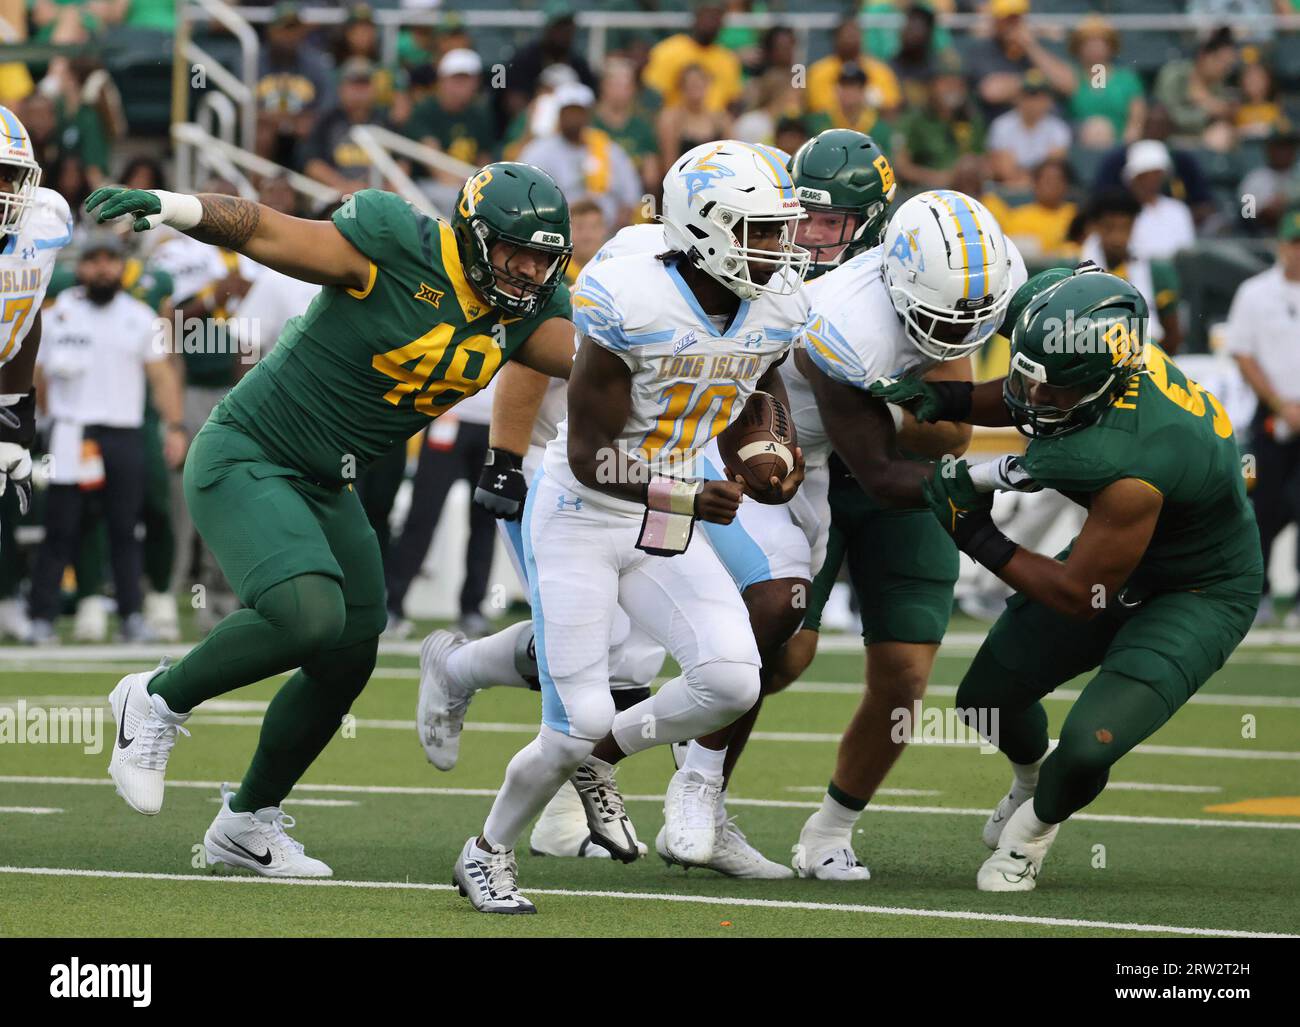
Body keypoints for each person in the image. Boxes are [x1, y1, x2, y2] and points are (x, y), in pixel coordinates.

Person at [86, 160, 581, 876]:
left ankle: (246, 821)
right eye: (515, 252)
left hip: (329, 481)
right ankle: (156, 698)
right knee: (306, 614)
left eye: (543, 259)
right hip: (250, 451)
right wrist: (173, 203)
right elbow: (266, 229)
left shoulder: (531, 305)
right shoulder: (395, 243)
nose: (528, 272)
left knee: (349, 652)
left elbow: (597, 362)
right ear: (473, 237)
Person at [451, 141, 809, 913]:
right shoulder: (629, 297)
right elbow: (585, 457)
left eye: (782, 230)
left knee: (731, 679)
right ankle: (487, 851)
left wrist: (770, 439)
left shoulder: (777, 302)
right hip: (582, 515)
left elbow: (755, 370)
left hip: (661, 515)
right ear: (709, 230)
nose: (780, 250)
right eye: (762, 231)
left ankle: (619, 763)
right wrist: (687, 490)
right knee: (574, 723)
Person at [874, 268, 1262, 891]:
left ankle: (1032, 832)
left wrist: (975, 535)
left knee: (1087, 745)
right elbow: (1040, 385)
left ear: (1099, 388)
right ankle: (1032, 776)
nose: (1032, 400)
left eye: (1050, 394)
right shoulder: (1095, 356)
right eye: (1029, 377)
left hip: (1199, 588)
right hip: (1121, 552)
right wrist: (946, 399)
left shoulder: (1136, 457)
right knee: (985, 702)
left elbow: (1080, 597)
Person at [27, 233, 185, 644]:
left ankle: (131, 614)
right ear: (80, 267)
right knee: (60, 525)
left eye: (109, 261)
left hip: (123, 431)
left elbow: (161, 374)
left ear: (122, 267)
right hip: (70, 431)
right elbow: (38, 375)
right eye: (93, 261)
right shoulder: (59, 312)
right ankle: (42, 616)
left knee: (124, 526)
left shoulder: (137, 315)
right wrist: (44, 420)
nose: (101, 268)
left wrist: (174, 425)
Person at [0, 104, 75, 635]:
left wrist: (13, 421)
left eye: (10, 175)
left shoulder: (42, 222)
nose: (5, 189)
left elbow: (26, 316)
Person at [1225, 207, 1300, 627]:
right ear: (1281, 246)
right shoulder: (1255, 292)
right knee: (1262, 506)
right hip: (1270, 415)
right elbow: (1242, 352)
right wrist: (1280, 405)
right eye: (1294, 244)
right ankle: (1261, 590)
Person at [519, 83, 641, 230]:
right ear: (559, 114)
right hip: (557, 233)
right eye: (568, 112)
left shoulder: (607, 149)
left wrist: (622, 219)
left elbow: (631, 195)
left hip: (607, 235)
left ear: (589, 114)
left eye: (578, 112)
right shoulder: (538, 151)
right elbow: (524, 197)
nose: (573, 118)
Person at [1077, 188, 1182, 350]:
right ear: (1095, 227)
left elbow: (1173, 335)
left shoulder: (1157, 272)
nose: (1117, 237)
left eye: (1125, 227)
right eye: (1109, 227)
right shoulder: (1074, 271)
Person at [641, 2, 743, 114]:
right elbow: (654, 97)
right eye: (708, 15)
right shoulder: (668, 51)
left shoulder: (727, 59)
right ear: (696, 16)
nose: (711, 22)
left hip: (715, 124)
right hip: (676, 123)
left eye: (717, 17)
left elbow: (733, 101)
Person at [986, 71, 1070, 190]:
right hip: (1007, 189)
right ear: (1018, 98)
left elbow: (1053, 166)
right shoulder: (1001, 125)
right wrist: (1024, 180)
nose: (1034, 102)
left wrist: (1029, 180)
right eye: (1030, 95)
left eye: (1040, 96)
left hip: (1043, 189)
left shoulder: (1058, 128)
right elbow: (1004, 170)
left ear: (1049, 101)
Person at [1122, 139, 1195, 262]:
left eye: (1156, 174)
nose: (1151, 180)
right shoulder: (1121, 212)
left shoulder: (1179, 210)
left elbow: (1187, 253)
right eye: (1145, 175)